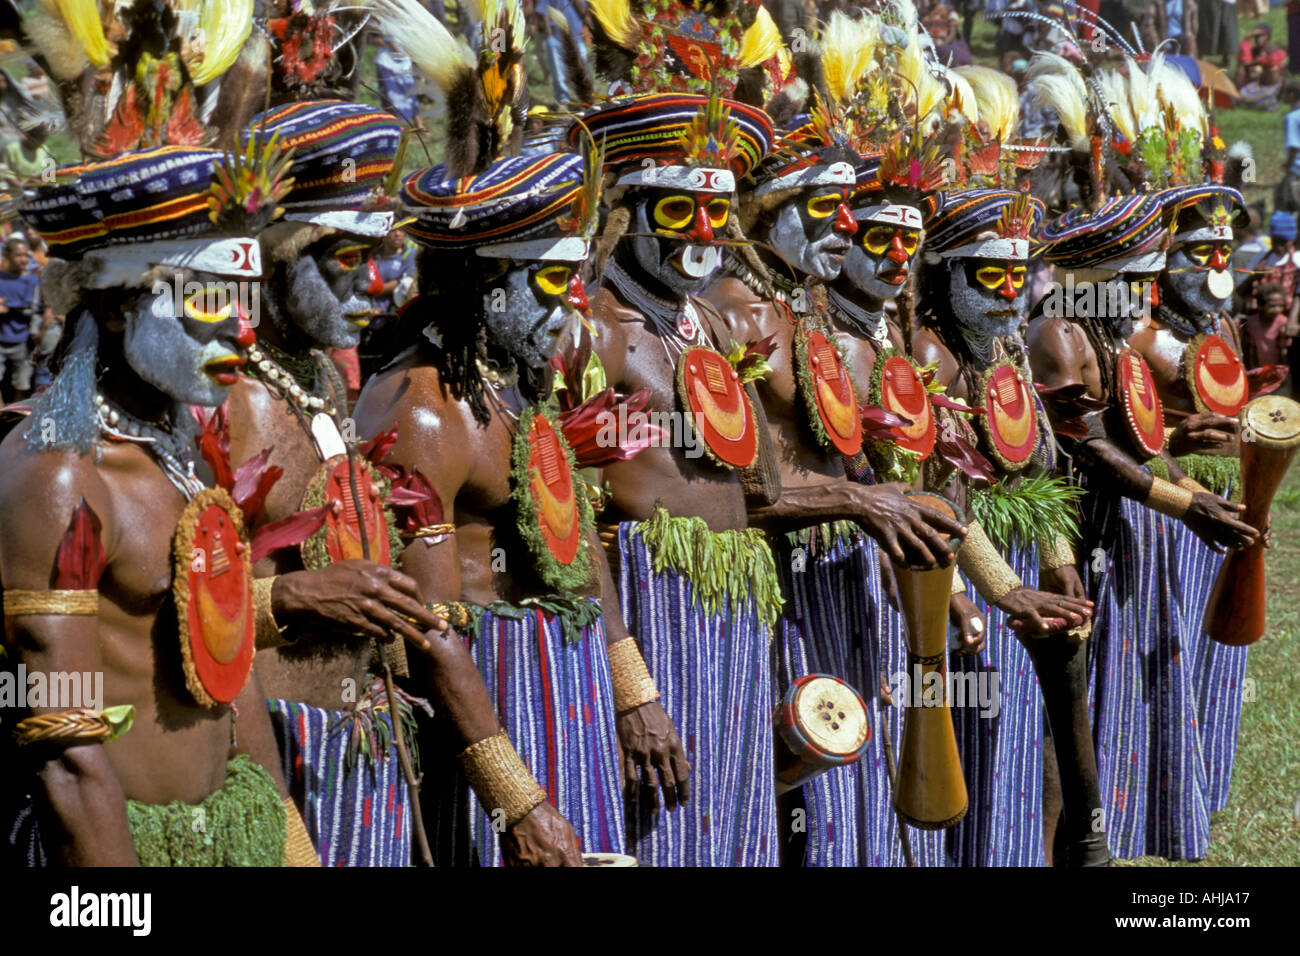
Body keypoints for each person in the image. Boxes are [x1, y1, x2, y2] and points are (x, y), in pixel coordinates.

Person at [0, 146, 317, 867]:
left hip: (230, 834)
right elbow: (66, 752)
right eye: (207, 299)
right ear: (116, 307)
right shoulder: (60, 479)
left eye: (246, 300)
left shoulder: (183, 451)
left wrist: (290, 846)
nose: (241, 331)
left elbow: (223, 667)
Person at [0, 235, 39, 403]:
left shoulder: (31, 281)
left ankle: (15, 415)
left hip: (22, 340)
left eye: (25, 255)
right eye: (18, 255)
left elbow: (31, 309)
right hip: (1, 337)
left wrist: (7, 309)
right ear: (7, 256)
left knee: (21, 382)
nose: (23, 259)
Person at [1242, 281, 1292, 370]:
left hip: (1278, 369)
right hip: (1257, 368)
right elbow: (1249, 348)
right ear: (1260, 305)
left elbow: (1285, 351)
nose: (1277, 309)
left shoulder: (1283, 322)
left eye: (1280, 306)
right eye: (1273, 306)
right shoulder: (1251, 322)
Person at [1236, 22, 1287, 90]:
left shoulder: (1273, 49)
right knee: (1241, 67)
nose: (1258, 38)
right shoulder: (1252, 51)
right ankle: (1240, 92)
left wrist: (1256, 61)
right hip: (1253, 80)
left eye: (1262, 35)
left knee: (1273, 69)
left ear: (1268, 37)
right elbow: (1245, 61)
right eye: (1256, 36)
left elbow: (1273, 61)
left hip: (1268, 81)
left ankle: (1272, 94)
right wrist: (1247, 38)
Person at [1277, 80, 1300, 213]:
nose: (1281, 96)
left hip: (1297, 170)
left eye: (1284, 93)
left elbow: (1294, 147)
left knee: (1292, 204)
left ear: (1291, 95)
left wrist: (1287, 164)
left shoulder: (1291, 118)